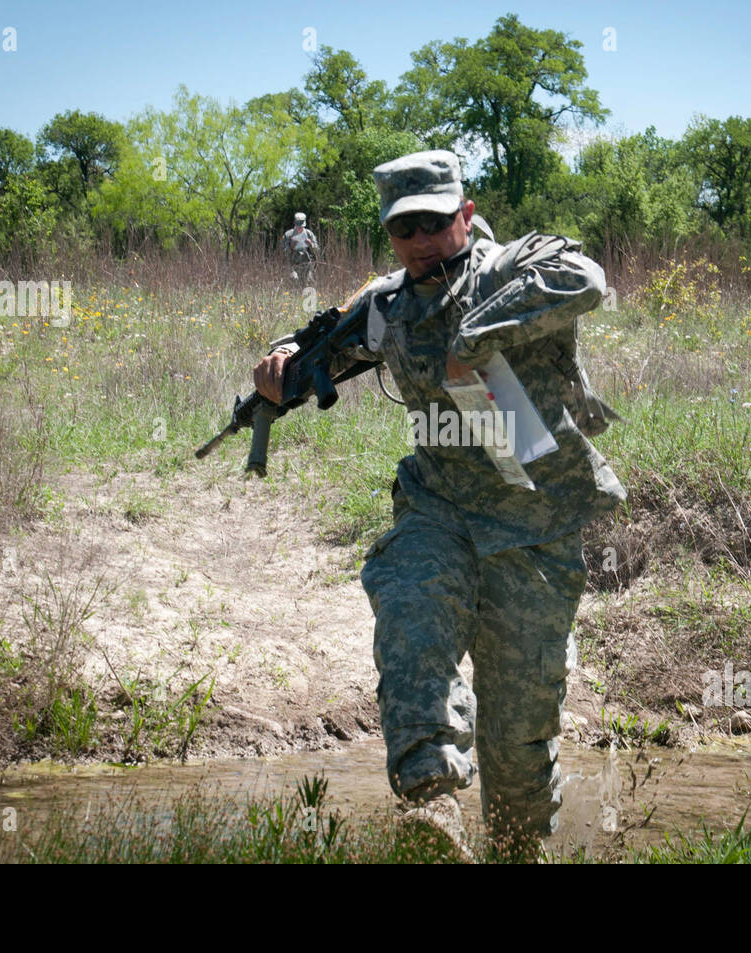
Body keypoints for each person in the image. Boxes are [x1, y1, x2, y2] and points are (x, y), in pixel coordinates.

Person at [253, 150, 625, 861]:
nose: (421, 240)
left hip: (533, 526)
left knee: (520, 738)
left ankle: (515, 846)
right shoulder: (389, 303)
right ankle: (433, 806)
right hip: (440, 510)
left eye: (434, 222)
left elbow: (587, 278)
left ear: (466, 212)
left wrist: (477, 337)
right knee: (412, 614)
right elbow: (317, 352)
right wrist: (277, 370)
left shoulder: (513, 265)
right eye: (404, 228)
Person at [279, 212, 319, 284]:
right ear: (294, 223)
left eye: (301, 226)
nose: (299, 228)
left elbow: (317, 250)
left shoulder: (309, 234)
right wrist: (291, 247)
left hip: (307, 264)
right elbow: (282, 252)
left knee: (309, 282)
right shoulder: (288, 235)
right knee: (294, 279)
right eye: (298, 225)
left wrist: (311, 245)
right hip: (292, 265)